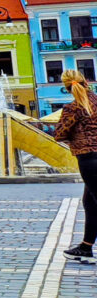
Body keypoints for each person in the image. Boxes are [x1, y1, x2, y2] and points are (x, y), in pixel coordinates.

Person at [56, 73, 97, 260]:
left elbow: (60, 133)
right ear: (86, 83)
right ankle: (86, 247)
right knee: (90, 202)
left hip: (89, 159)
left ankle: (86, 247)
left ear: (67, 88)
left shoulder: (73, 108)